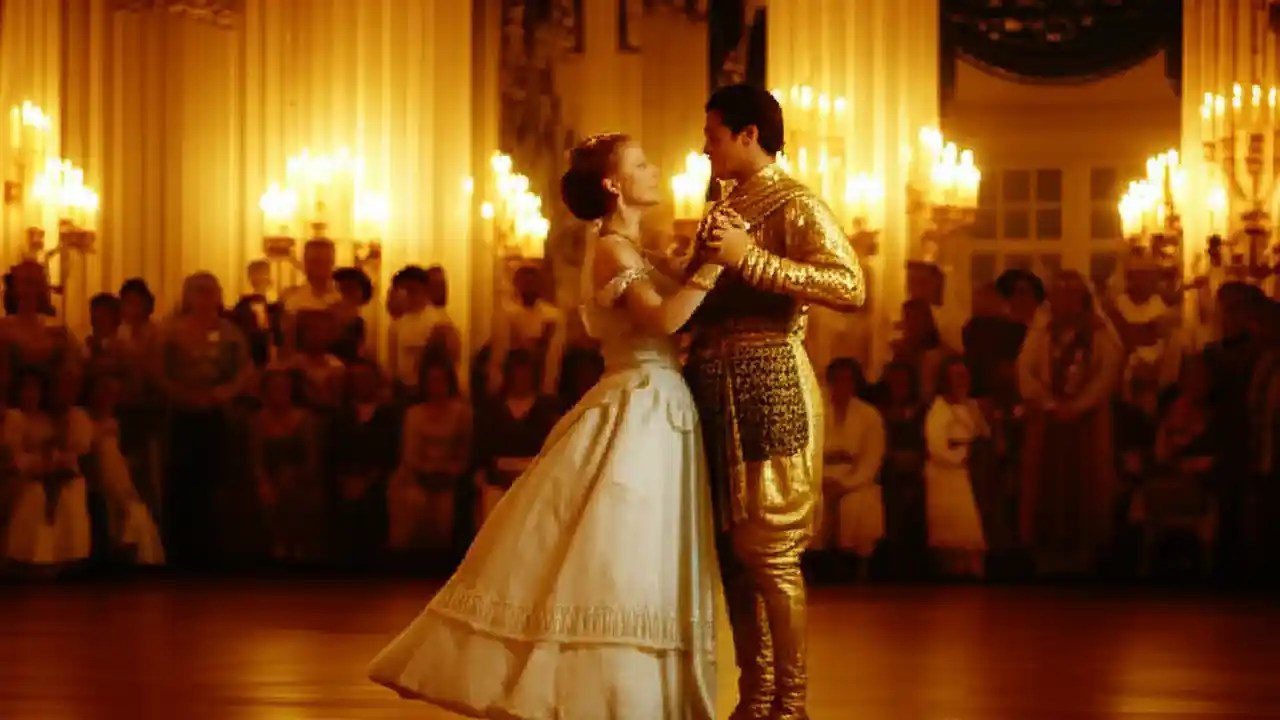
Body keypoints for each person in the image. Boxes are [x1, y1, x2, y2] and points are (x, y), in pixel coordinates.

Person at [369, 133, 720, 719]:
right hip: (639, 399)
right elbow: (662, 319)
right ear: (613, 185)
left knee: (644, 543)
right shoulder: (612, 247)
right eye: (640, 164)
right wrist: (712, 268)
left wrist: (696, 265)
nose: (654, 169)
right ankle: (612, 695)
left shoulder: (639, 247)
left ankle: (651, 693)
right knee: (621, 544)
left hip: (661, 400)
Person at [685, 83, 865, 720]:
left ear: (747, 135)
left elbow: (849, 284)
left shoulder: (794, 203)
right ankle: (755, 695)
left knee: (769, 550)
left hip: (771, 383)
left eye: (712, 135)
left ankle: (790, 703)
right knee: (734, 554)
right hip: (717, 385)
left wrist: (754, 259)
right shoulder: (724, 204)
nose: (705, 148)